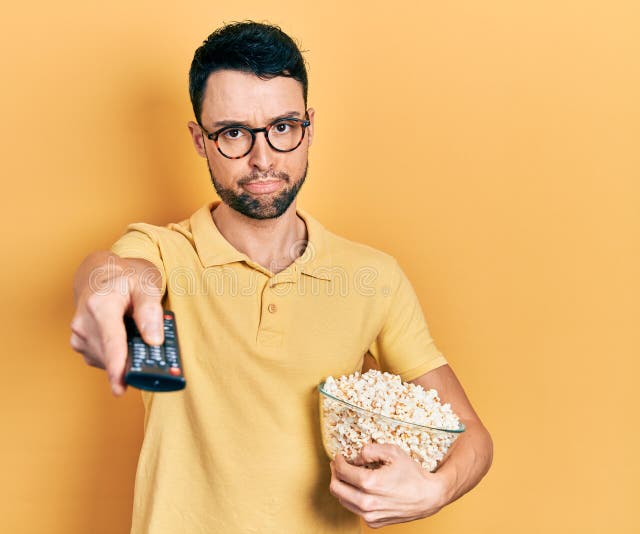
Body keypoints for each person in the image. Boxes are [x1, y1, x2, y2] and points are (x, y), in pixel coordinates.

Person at [70, 21, 493, 533]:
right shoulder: (164, 251)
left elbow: (471, 433)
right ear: (199, 141)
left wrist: (436, 490)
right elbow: (115, 271)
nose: (263, 158)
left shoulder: (373, 277)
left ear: (309, 127)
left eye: (283, 127)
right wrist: (106, 290)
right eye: (232, 134)